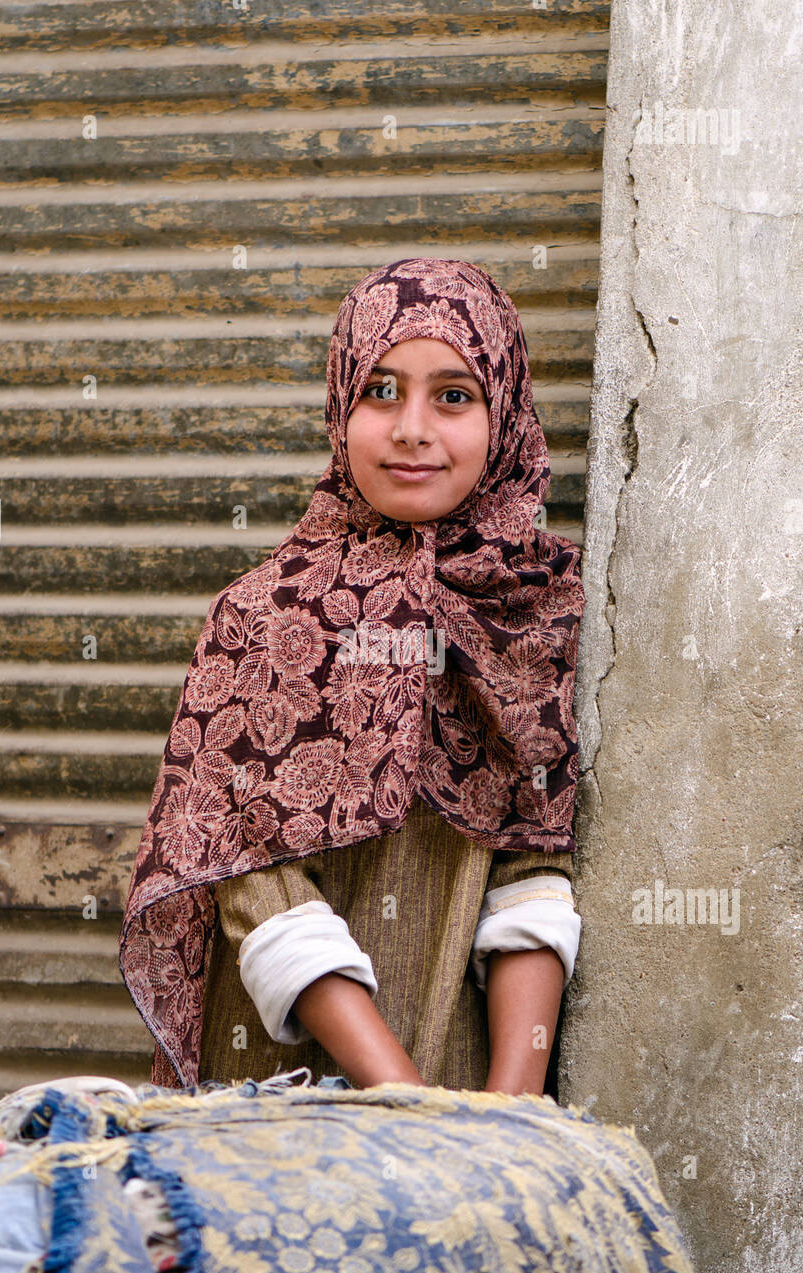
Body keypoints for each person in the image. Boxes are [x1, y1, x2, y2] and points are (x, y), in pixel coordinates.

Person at [119, 257, 585, 1098]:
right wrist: (401, 1101)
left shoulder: (536, 613)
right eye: (380, 391)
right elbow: (255, 884)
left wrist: (512, 1122)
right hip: (292, 1102)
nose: (411, 428)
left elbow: (532, 871)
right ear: (341, 404)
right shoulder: (264, 619)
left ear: (506, 414)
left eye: (453, 394)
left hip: (465, 1094)